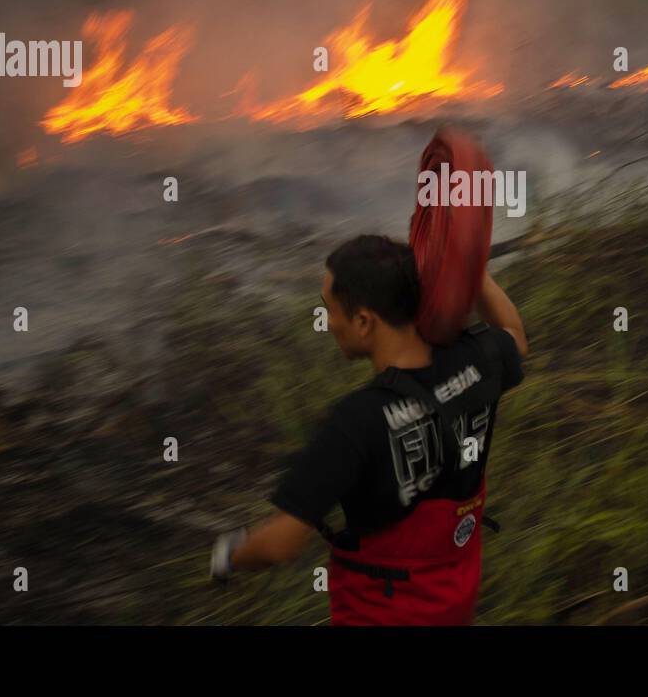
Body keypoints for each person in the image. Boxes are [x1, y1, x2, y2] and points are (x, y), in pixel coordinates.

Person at [210, 234, 527, 625]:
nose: (326, 322)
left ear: (363, 321)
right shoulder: (476, 359)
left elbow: (280, 545)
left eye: (329, 310)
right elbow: (514, 334)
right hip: (454, 602)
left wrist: (230, 554)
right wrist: (475, 273)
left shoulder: (357, 421)